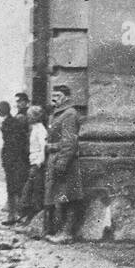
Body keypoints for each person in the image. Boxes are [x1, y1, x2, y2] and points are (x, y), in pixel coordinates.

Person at [44, 83, 84, 244]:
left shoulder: (69, 114)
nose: (54, 99)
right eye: (53, 96)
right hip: (56, 159)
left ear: (66, 97)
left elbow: (69, 142)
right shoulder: (57, 114)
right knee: (61, 196)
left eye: (58, 96)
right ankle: (61, 230)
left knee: (69, 197)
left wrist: (62, 162)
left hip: (65, 161)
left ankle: (67, 233)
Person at [0, 97, 30, 225]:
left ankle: (13, 215)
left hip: (12, 160)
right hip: (18, 159)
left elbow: (10, 143)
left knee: (12, 187)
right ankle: (16, 215)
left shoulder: (7, 123)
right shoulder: (15, 121)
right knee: (17, 187)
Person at [19, 104, 48, 229]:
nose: (28, 117)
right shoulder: (35, 128)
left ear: (35, 117)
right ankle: (28, 217)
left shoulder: (40, 129)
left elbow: (43, 147)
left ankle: (34, 220)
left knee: (34, 192)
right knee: (29, 191)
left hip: (37, 164)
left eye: (30, 116)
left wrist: (39, 163)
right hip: (33, 162)